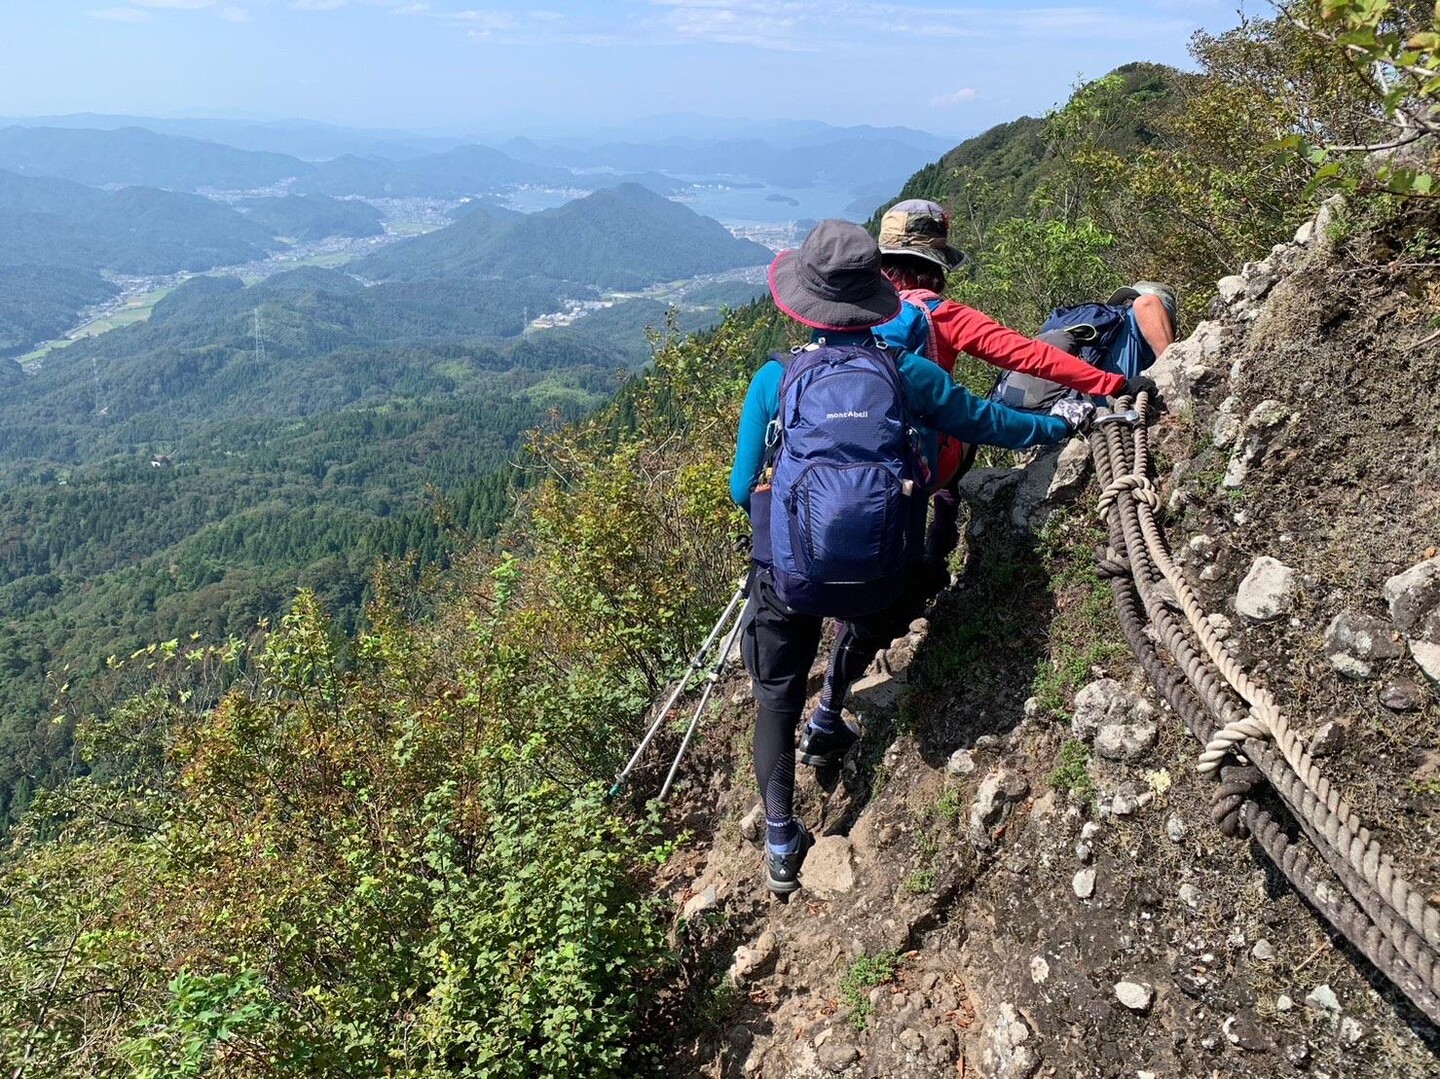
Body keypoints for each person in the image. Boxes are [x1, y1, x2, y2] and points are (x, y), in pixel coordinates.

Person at [731, 219, 1090, 896]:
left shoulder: (774, 380)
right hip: (879, 572)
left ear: (801, 301)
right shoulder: (908, 372)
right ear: (876, 297)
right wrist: (1062, 422)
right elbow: (990, 424)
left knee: (774, 692)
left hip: (788, 576)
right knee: (885, 603)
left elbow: (736, 487)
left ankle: (782, 842)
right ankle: (832, 707)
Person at [869, 199, 1167, 569]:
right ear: (936, 264)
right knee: (959, 425)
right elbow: (1031, 356)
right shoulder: (942, 315)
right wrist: (1113, 383)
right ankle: (942, 531)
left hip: (847, 454)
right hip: (922, 463)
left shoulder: (849, 310)